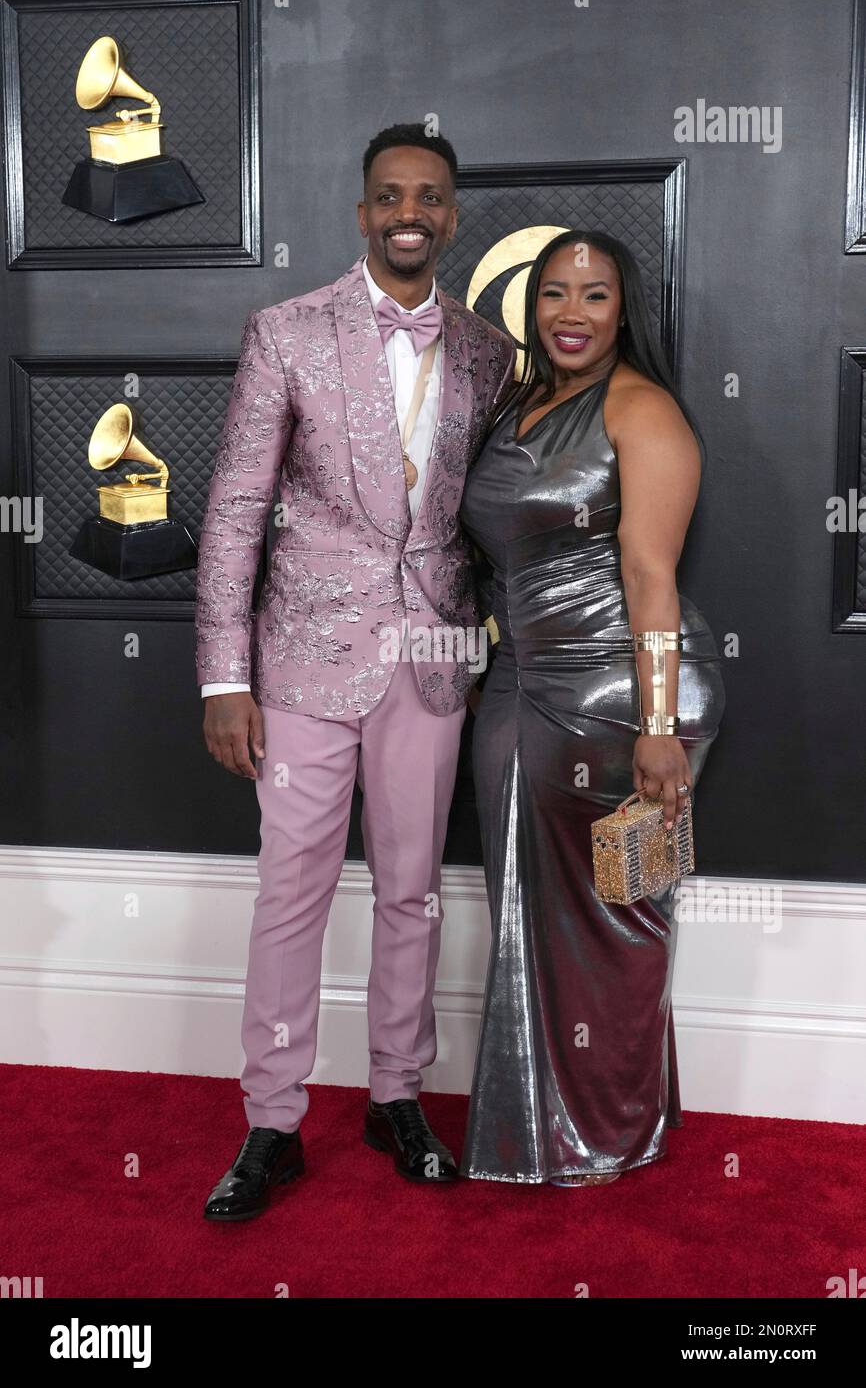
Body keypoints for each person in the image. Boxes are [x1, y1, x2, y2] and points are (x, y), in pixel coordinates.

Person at [195, 123, 515, 1220]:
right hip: (299, 661)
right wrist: (219, 677)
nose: (409, 212)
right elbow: (235, 510)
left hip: (431, 656)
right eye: (389, 195)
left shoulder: (485, 350)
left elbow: (480, 511)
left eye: (428, 196)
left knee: (412, 892)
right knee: (290, 893)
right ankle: (273, 1120)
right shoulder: (286, 333)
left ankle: (395, 1095)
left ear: (453, 216)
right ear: (362, 210)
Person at [458, 229, 726, 1186]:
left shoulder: (642, 411)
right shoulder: (523, 403)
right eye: (555, 294)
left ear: (625, 311)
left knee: (617, 915)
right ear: (532, 305)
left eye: (596, 296)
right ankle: (545, 1122)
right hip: (521, 689)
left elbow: (653, 578)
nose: (571, 313)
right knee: (527, 908)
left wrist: (658, 727)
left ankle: (611, 1129)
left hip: (623, 687)